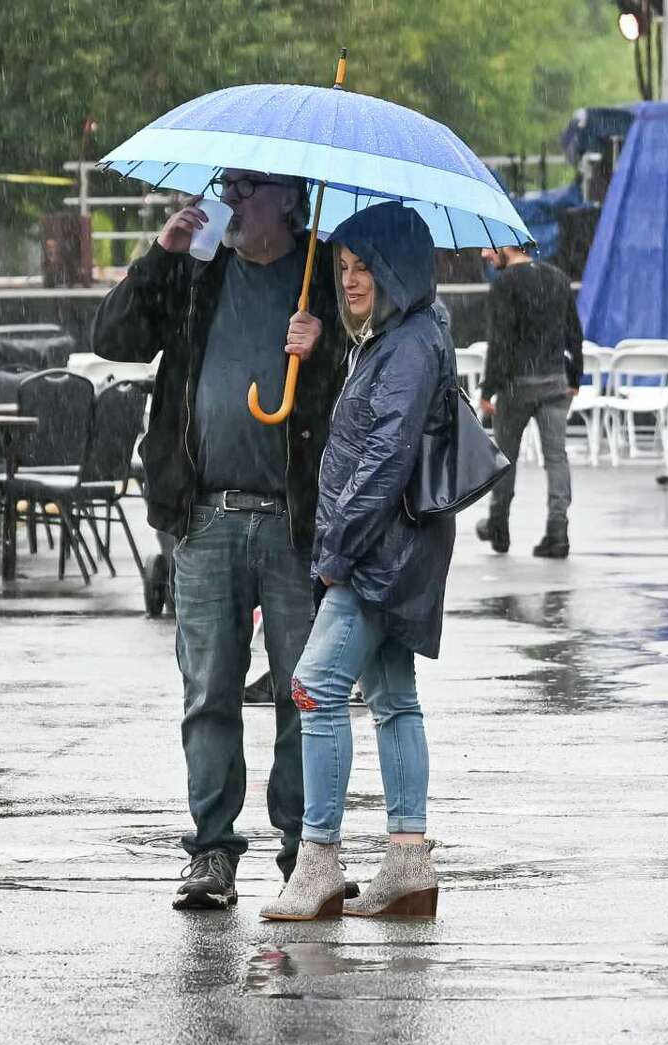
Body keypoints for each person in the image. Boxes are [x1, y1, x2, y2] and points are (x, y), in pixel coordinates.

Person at [94, 170, 344, 910]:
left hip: (296, 522)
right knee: (209, 691)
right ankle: (211, 851)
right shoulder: (196, 277)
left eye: (247, 188)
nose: (230, 201)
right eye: (227, 186)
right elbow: (114, 337)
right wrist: (159, 256)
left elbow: (369, 387)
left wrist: (324, 346)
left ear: (290, 199)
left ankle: (303, 852)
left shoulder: (322, 277)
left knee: (306, 695)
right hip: (204, 518)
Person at [264, 203, 455, 922]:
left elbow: (385, 458)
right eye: (344, 267)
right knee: (393, 696)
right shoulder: (400, 335)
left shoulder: (406, 344)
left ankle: (318, 863)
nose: (350, 279)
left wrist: (336, 550)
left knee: (314, 687)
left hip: (379, 551)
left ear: (397, 267)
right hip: (398, 546)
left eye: (365, 266)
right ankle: (407, 862)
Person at [474, 242, 583, 558]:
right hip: (555, 382)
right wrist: (575, 375)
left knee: (505, 458)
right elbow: (573, 330)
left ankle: (498, 526)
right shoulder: (558, 277)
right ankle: (558, 532)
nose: (483, 255)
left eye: (487, 248)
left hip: (517, 386)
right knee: (556, 458)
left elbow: (501, 341)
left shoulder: (504, 285)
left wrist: (487, 389)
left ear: (506, 246)